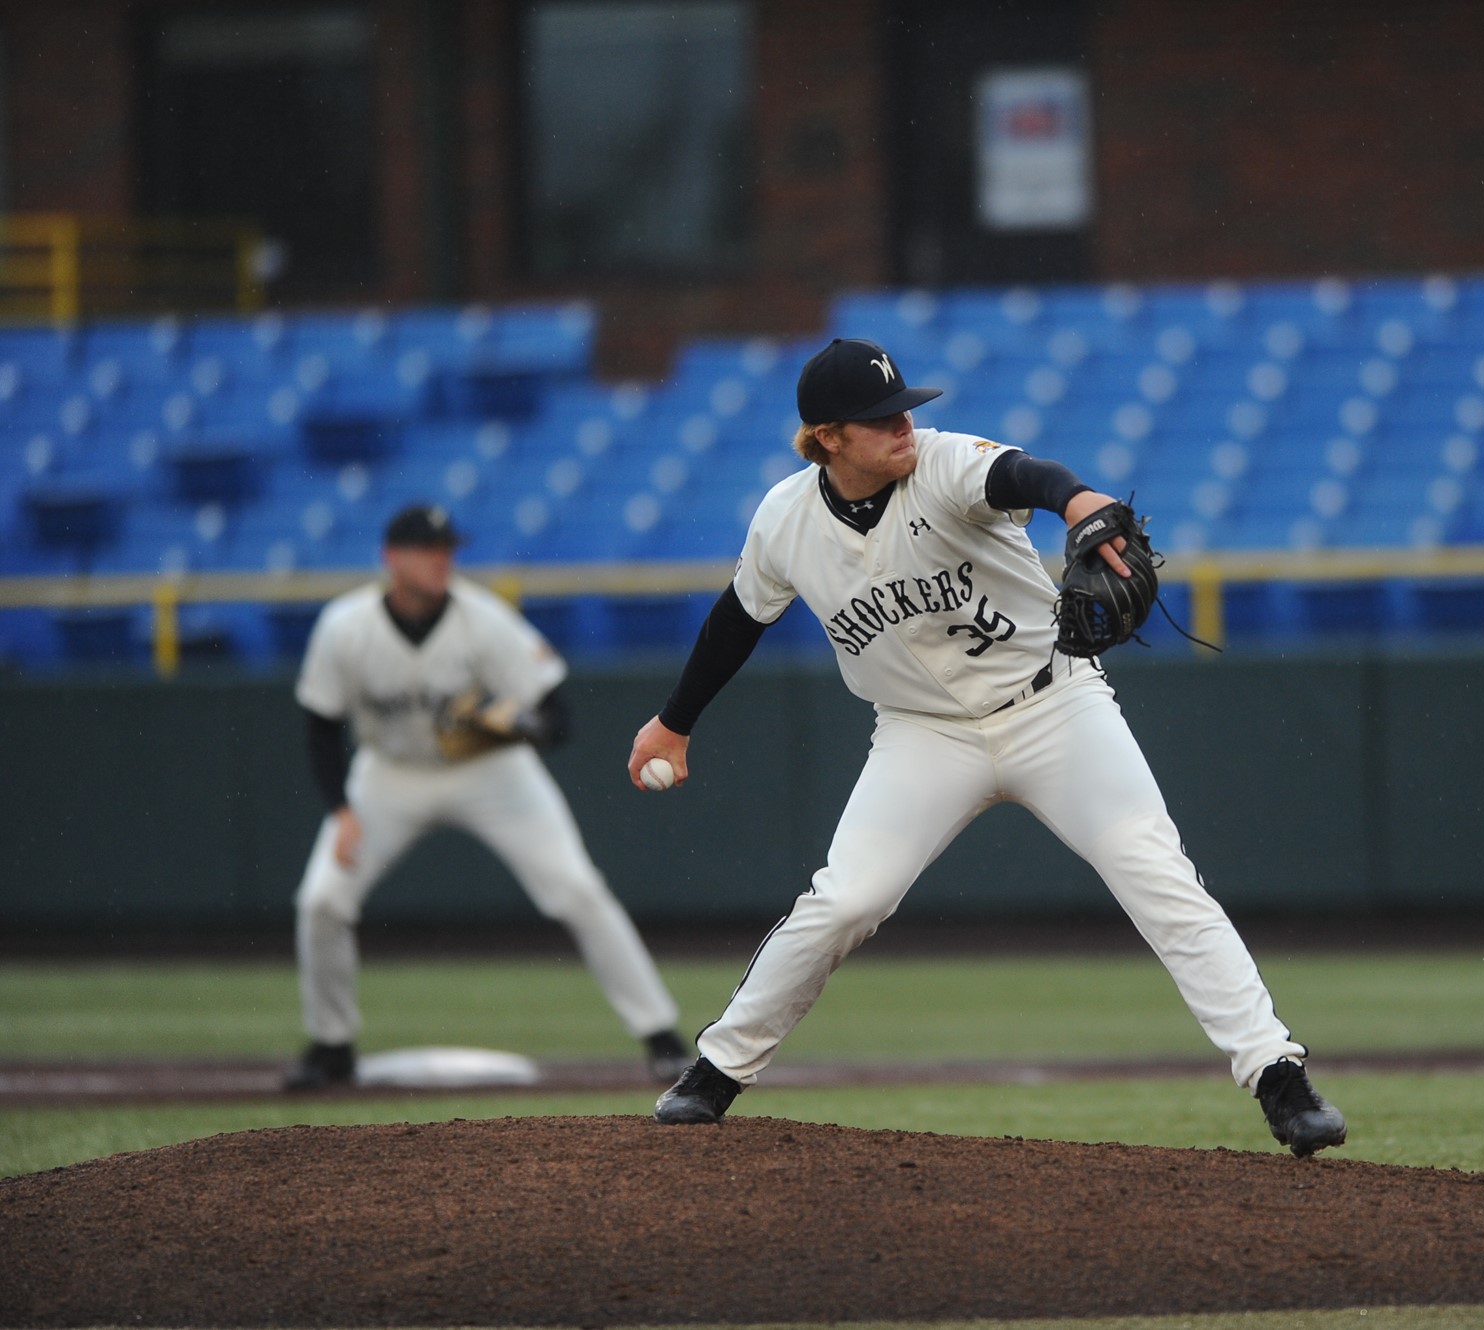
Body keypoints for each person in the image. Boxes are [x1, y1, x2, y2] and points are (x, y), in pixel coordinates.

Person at [626, 337, 1344, 1157]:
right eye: (878, 418)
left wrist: (1077, 502)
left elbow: (1025, 477)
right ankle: (714, 1073)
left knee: (1155, 871)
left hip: (1054, 706)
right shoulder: (786, 520)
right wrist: (674, 722)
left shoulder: (942, 463)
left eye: (903, 408)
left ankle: (1280, 1080)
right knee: (848, 899)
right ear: (827, 435)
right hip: (921, 735)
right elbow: (737, 620)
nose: (902, 425)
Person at [283, 502, 689, 1089]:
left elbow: (558, 719)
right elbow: (320, 726)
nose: (442, 560)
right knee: (322, 900)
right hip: (390, 775)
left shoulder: (484, 620)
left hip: (493, 773)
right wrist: (340, 811)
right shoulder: (345, 627)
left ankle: (662, 1037)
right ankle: (331, 1045)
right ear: (391, 558)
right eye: (428, 550)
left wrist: (505, 722)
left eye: (448, 549)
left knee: (576, 889)